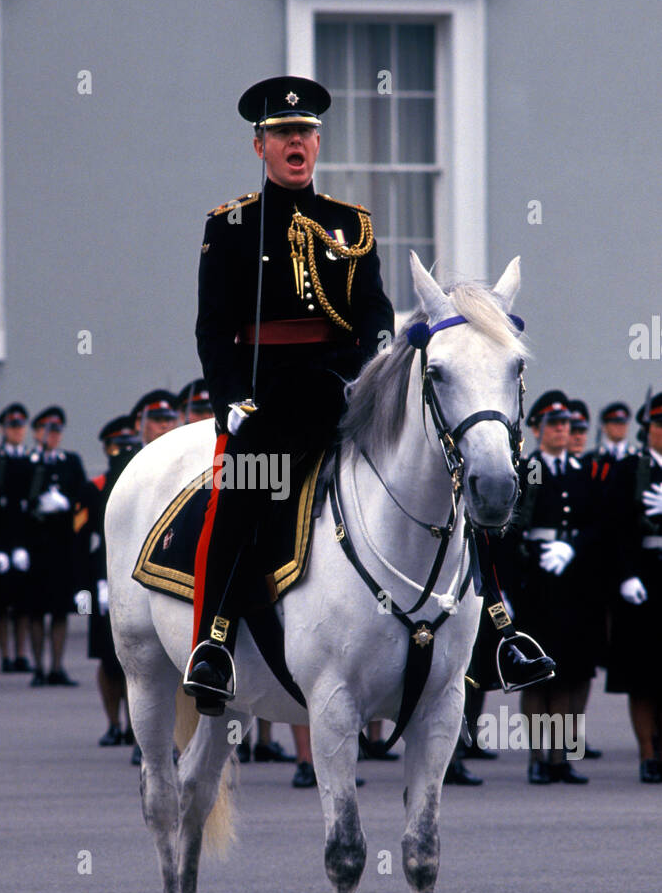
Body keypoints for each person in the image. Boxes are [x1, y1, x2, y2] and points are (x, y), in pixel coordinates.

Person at [184, 74, 552, 713]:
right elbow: (214, 328)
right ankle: (212, 641)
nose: (295, 143)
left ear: (318, 144)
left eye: (304, 134)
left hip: (342, 393)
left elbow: (376, 314)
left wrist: (368, 371)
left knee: (456, 473)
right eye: (282, 134)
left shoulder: (350, 224)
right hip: (266, 400)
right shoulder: (232, 225)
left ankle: (498, 626)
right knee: (241, 490)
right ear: (260, 146)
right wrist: (230, 401)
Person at [510, 390, 602, 784]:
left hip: (573, 583)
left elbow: (600, 523)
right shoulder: (526, 469)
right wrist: (511, 589)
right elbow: (510, 530)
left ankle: (561, 756)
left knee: (568, 673)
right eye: (554, 424)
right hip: (537, 584)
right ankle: (537, 757)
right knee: (537, 674)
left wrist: (572, 546)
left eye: (566, 424)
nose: (563, 430)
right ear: (537, 430)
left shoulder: (584, 470)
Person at [605, 392, 662, 782]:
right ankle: (647, 753)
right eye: (659, 426)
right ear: (648, 430)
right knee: (643, 674)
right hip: (642, 574)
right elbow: (615, 528)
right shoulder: (628, 469)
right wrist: (626, 575)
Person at [85, 414, 141, 748]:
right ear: (107, 449)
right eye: (119, 446)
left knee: (138, 659)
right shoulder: (96, 488)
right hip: (102, 578)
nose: (125, 452)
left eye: (129, 446)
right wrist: (88, 589)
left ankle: (137, 730)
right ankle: (113, 723)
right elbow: (82, 543)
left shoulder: (140, 482)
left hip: (135, 576)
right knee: (107, 657)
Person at [27, 406, 87, 686]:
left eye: (56, 431)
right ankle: (38, 667)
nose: (52, 436)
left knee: (60, 611)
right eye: (46, 430)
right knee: (37, 609)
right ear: (37, 432)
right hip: (36, 547)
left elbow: (82, 498)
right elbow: (16, 502)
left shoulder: (70, 462)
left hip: (62, 547)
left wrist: (66, 505)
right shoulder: (30, 462)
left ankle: (57, 666)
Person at [0, 403, 34, 673]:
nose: (18, 431)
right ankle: (5, 654)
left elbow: (30, 507)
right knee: (1, 603)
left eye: (21, 426)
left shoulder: (29, 459)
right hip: (0, 540)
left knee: (23, 603)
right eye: (13, 426)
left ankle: (22, 653)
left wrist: (23, 545)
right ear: (3, 429)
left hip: (23, 540)